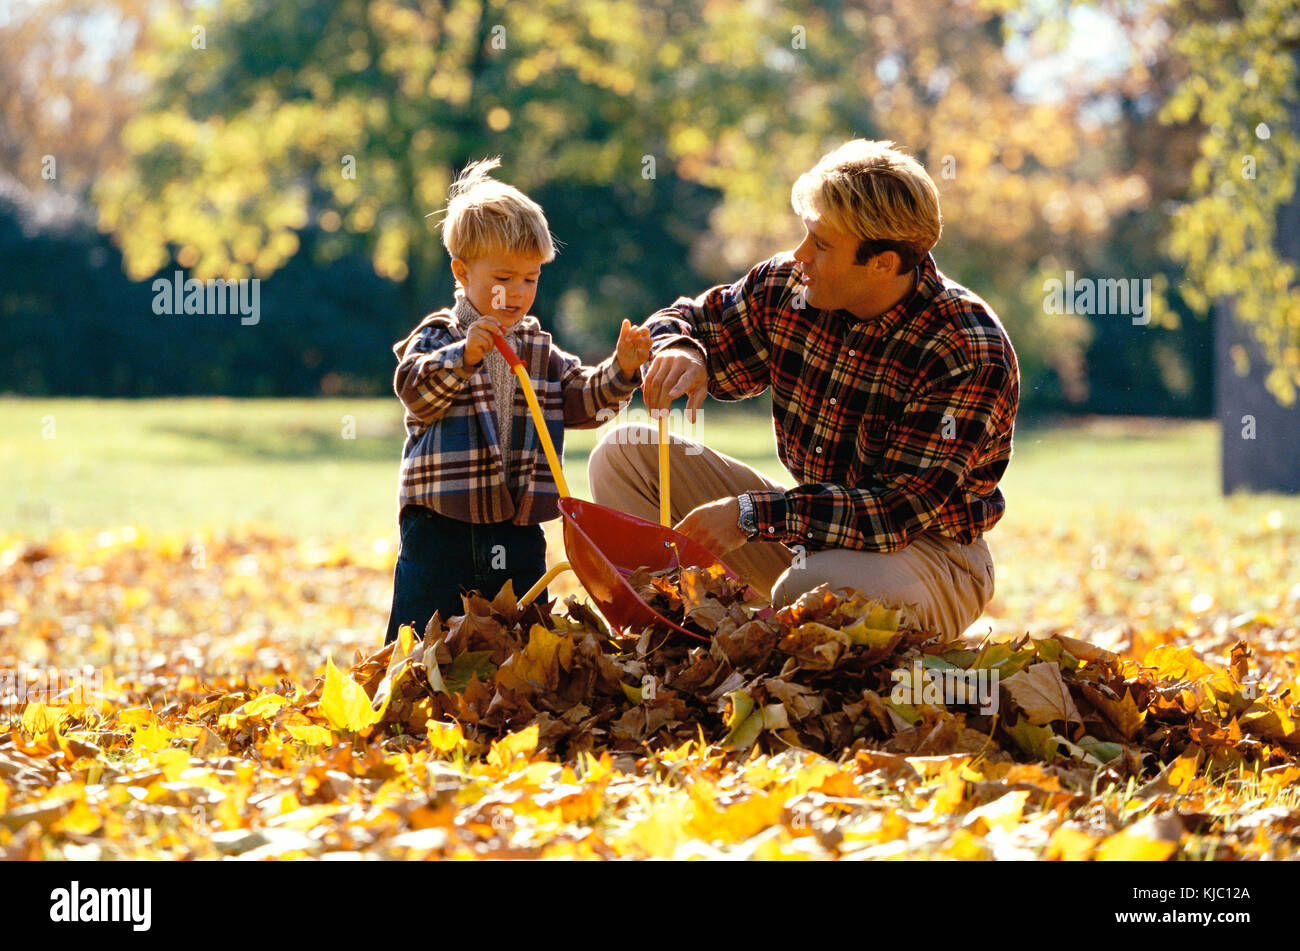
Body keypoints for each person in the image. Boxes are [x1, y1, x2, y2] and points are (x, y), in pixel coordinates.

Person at [589, 139, 1020, 639]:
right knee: (622, 453)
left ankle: (774, 644)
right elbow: (684, 318)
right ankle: (676, 641)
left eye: (821, 243)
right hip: (804, 533)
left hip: (925, 553)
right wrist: (683, 348)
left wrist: (750, 515)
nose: (800, 254)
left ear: (882, 263)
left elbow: (895, 510)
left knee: (817, 586)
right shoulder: (790, 286)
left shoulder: (964, 349)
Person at [385, 158, 650, 644]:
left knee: (520, 637)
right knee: (421, 633)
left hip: (516, 521)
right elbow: (415, 390)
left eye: (531, 279)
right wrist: (464, 356)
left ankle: (511, 706)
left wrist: (622, 371)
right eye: (505, 278)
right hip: (443, 521)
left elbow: (581, 399)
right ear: (462, 272)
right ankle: (407, 702)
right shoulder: (441, 335)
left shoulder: (537, 348)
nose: (519, 293)